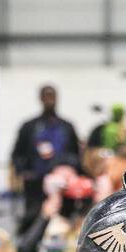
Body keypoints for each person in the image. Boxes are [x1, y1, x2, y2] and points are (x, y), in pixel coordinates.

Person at [11, 84, 81, 231]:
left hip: (63, 187)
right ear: (41, 99)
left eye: (52, 97)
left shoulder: (66, 126)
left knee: (62, 224)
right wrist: (24, 173)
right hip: (36, 187)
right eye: (46, 97)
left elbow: (76, 154)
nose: (50, 101)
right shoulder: (29, 127)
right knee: (34, 222)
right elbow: (17, 154)